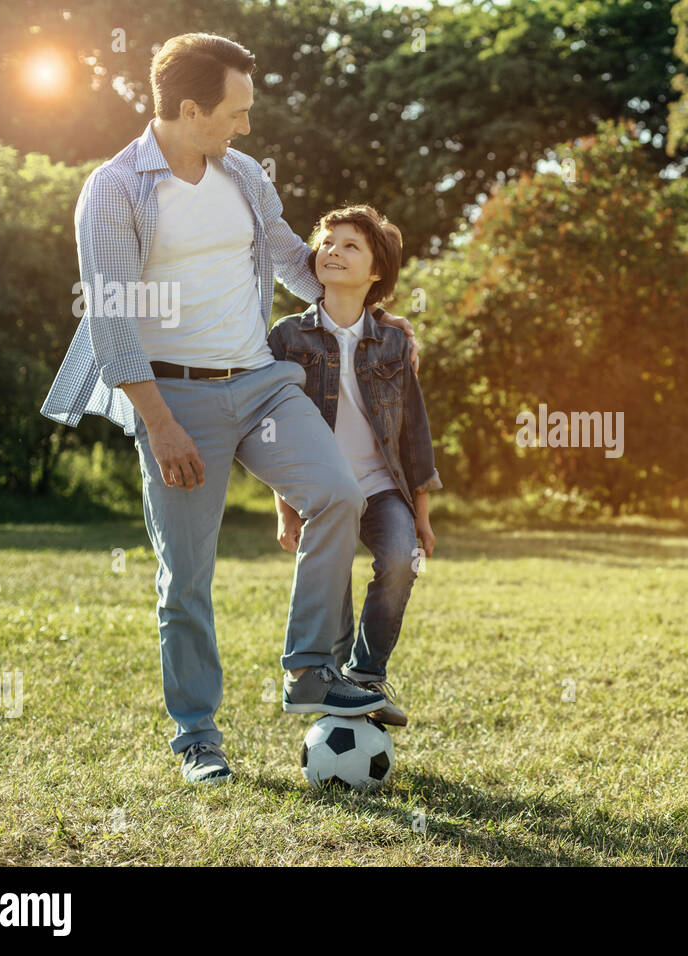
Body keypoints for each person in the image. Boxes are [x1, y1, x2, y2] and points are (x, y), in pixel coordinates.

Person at [38, 33, 421, 785]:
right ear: (190, 108)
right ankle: (197, 739)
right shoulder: (115, 190)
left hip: (261, 380)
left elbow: (287, 256)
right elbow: (112, 321)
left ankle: (310, 669)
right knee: (187, 576)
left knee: (337, 494)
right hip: (173, 392)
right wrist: (161, 421)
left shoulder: (242, 174)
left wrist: (369, 313)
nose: (246, 127)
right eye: (237, 112)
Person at [268, 205, 441, 727]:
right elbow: (274, 431)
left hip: (382, 485)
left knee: (400, 558)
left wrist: (423, 515)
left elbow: (414, 432)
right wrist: (286, 508)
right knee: (333, 590)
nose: (332, 252)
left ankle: (367, 676)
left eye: (350, 246)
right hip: (320, 487)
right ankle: (329, 680)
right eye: (326, 243)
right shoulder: (286, 338)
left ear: (375, 272)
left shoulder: (393, 340)